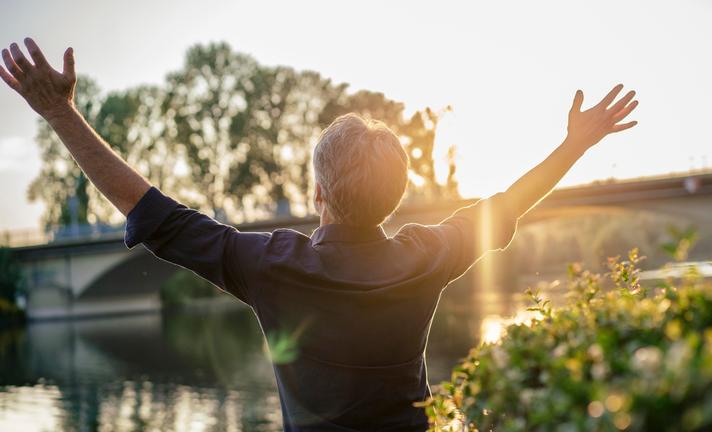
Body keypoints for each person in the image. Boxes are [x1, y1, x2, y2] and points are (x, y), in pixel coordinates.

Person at [0, 38, 638, 431]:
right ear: (395, 198)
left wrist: (60, 113)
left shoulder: (270, 264)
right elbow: (509, 203)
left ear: (318, 195)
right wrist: (572, 145)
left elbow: (154, 213)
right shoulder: (428, 257)